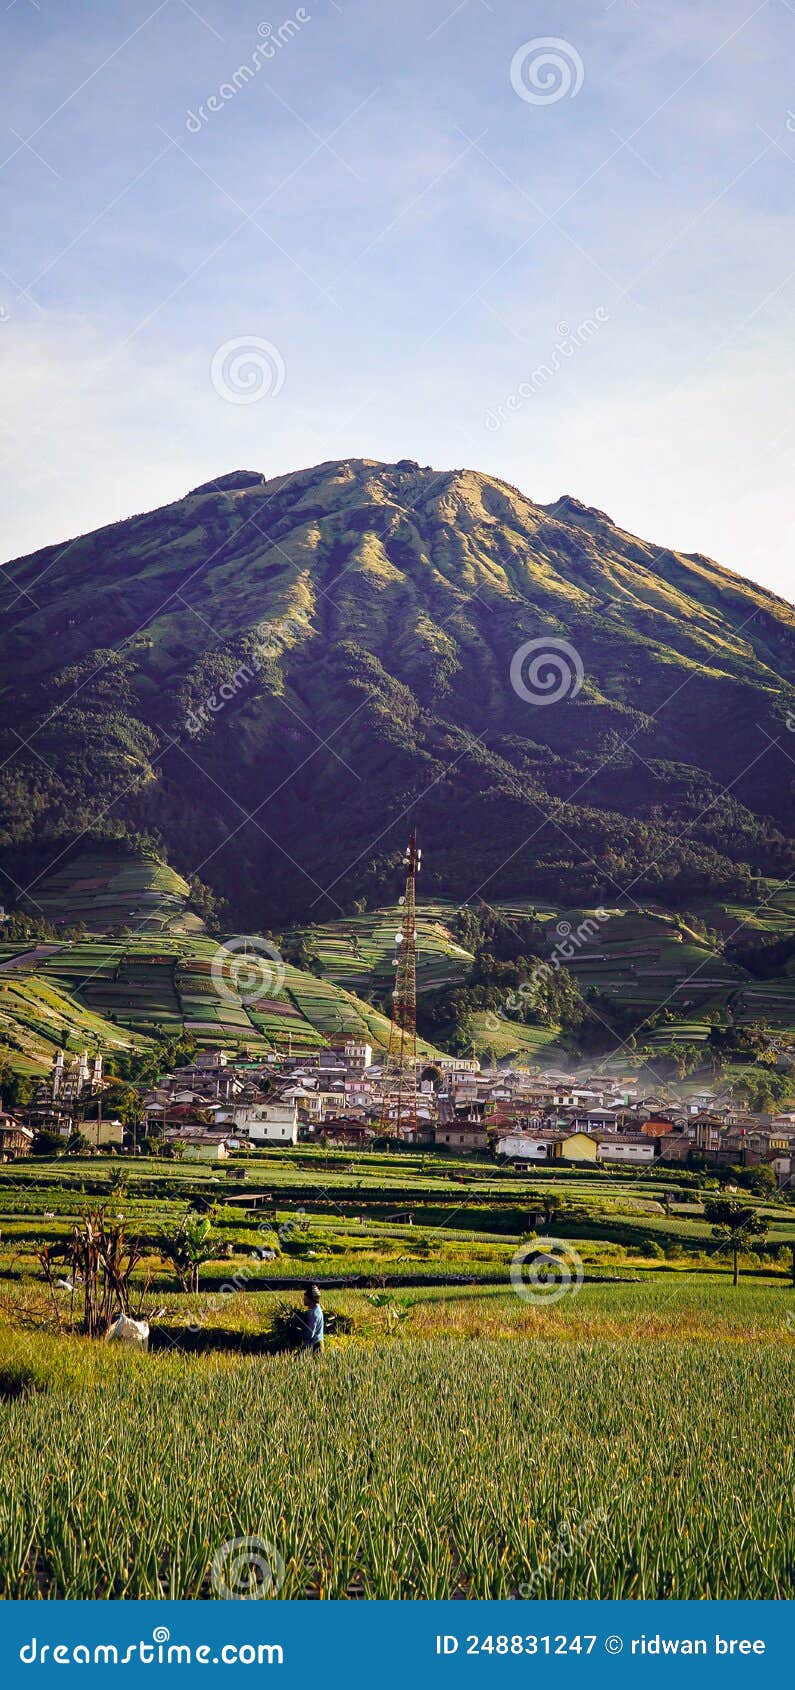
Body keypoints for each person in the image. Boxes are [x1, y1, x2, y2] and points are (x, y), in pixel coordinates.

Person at [301, 1283, 324, 1355]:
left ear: (310, 1299)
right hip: (317, 1344)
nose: (303, 1299)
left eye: (305, 1297)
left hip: (315, 1347)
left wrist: (297, 1334)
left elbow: (310, 1333)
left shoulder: (313, 1313)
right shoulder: (317, 1308)